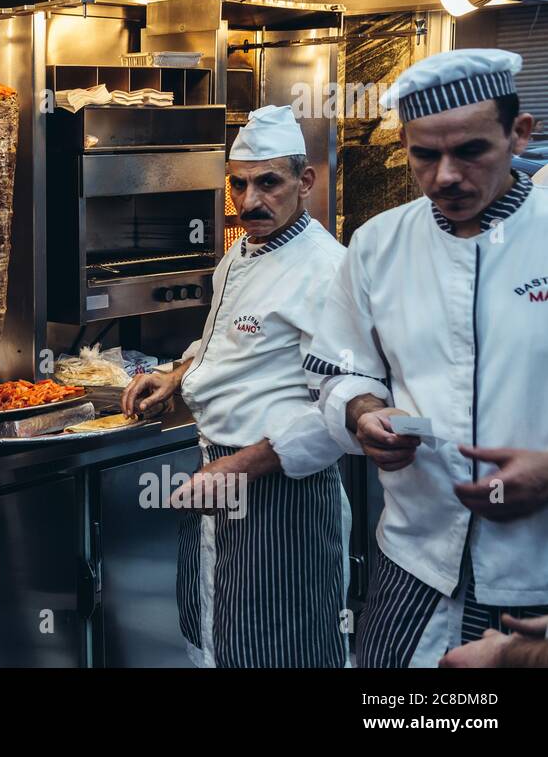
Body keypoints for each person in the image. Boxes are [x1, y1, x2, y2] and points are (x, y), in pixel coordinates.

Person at [294, 49, 548, 667]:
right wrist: (363, 415)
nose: (445, 177)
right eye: (424, 155)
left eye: (470, 152)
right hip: (414, 558)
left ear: (519, 134)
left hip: (537, 570)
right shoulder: (379, 243)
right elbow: (339, 368)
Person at [122, 104, 349, 667]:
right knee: (221, 640)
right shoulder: (241, 255)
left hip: (279, 492)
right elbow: (226, 346)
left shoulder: (327, 270)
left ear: (305, 181)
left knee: (282, 645)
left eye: (268, 183)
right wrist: (175, 376)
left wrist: (238, 467)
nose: (250, 201)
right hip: (219, 473)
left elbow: (339, 410)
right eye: (240, 184)